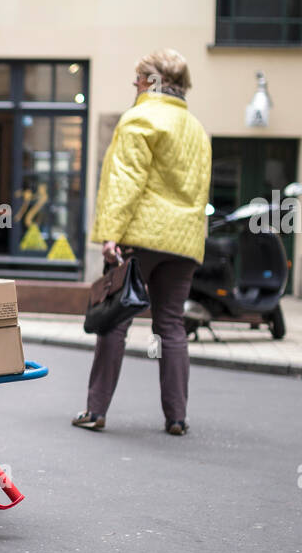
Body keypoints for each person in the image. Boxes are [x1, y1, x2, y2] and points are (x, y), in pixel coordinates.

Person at [73, 48, 212, 436]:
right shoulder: (197, 129)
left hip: (140, 237)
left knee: (115, 321)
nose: (134, 85)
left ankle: (96, 410)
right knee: (171, 325)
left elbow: (126, 181)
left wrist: (111, 234)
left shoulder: (139, 119)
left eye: (138, 79)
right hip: (184, 242)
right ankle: (177, 417)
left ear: (152, 81)